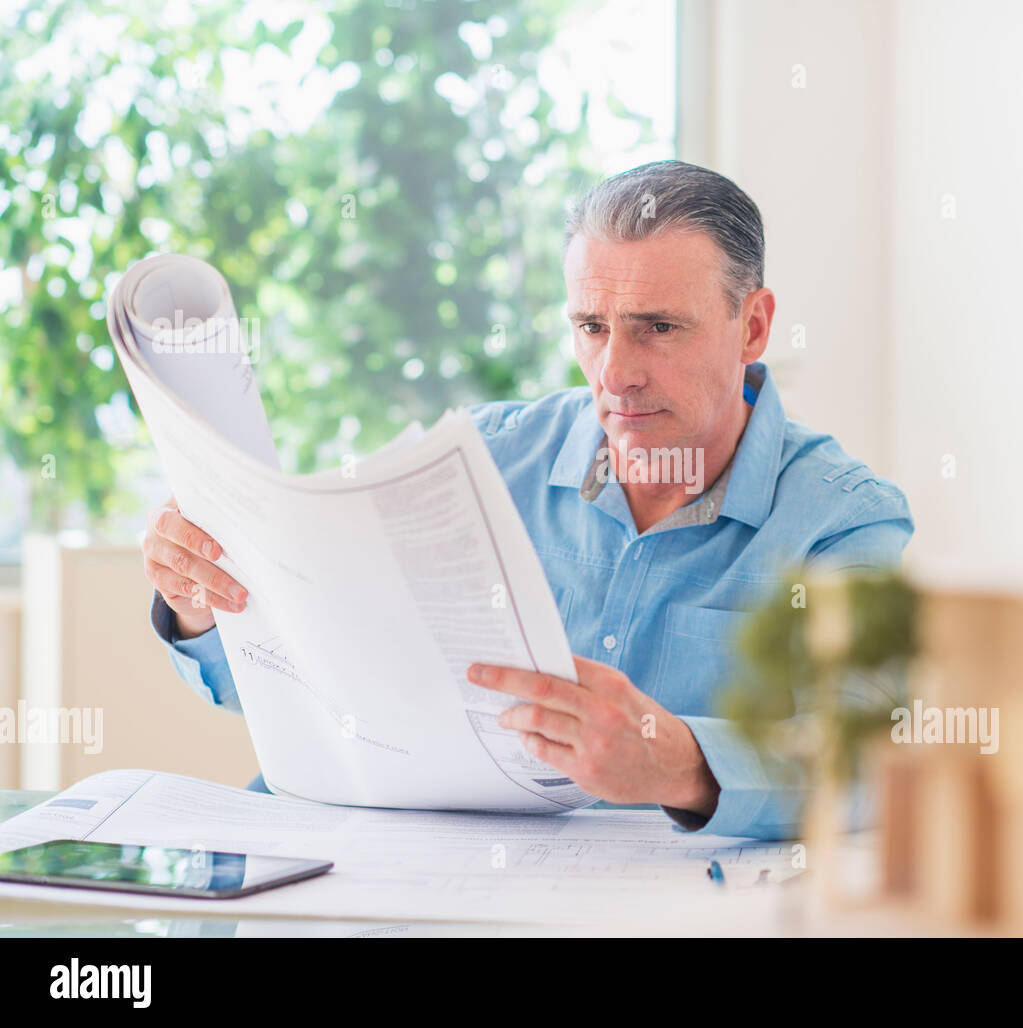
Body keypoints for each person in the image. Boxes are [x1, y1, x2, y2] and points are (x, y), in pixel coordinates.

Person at [142, 160, 914, 839]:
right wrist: (205, 606)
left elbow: (872, 759)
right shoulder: (476, 460)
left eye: (657, 328)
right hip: (389, 869)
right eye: (591, 326)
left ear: (752, 326)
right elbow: (312, 687)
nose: (615, 372)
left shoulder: (842, 521)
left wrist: (681, 763)